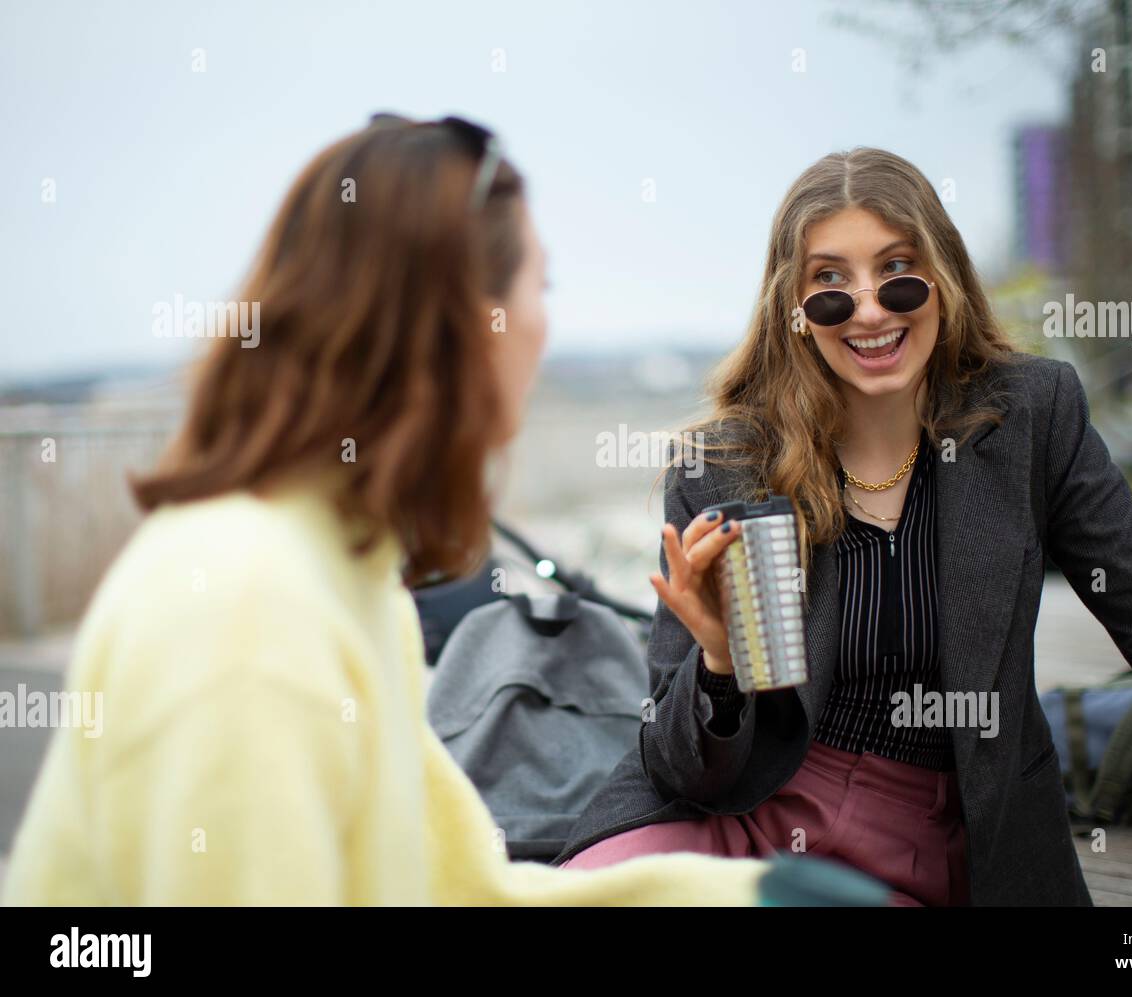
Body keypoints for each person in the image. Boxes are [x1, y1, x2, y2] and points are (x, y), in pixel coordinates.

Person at [0, 114, 772, 905]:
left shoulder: (342, 576)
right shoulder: (253, 610)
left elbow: (457, 887)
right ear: (466, 325)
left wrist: (753, 895)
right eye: (539, 287)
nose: (544, 325)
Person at [555, 147, 1132, 906]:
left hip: (932, 837)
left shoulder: (1033, 418)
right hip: (741, 815)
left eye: (896, 268)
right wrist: (717, 663)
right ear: (795, 309)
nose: (871, 308)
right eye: (830, 283)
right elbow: (682, 768)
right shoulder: (724, 466)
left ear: (942, 276)